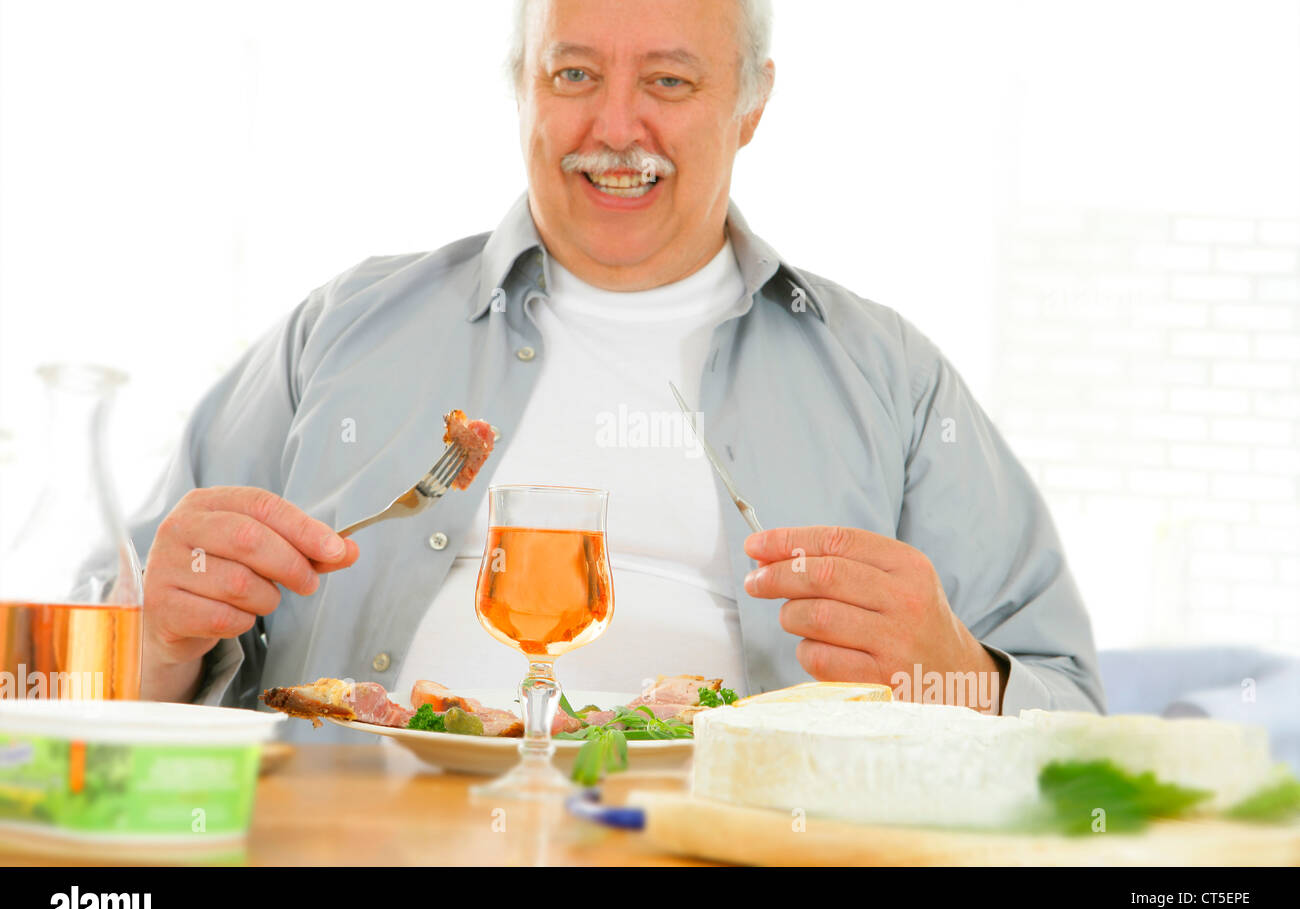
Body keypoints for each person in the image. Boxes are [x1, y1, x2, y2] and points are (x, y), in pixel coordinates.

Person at [101, 0, 1104, 739]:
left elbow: (1079, 721)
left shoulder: (888, 376)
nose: (615, 130)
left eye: (668, 82)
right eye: (573, 75)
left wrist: (958, 673)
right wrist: (157, 639)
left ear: (751, 104)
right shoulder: (341, 328)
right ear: (524, 86)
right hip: (338, 839)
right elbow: (79, 678)